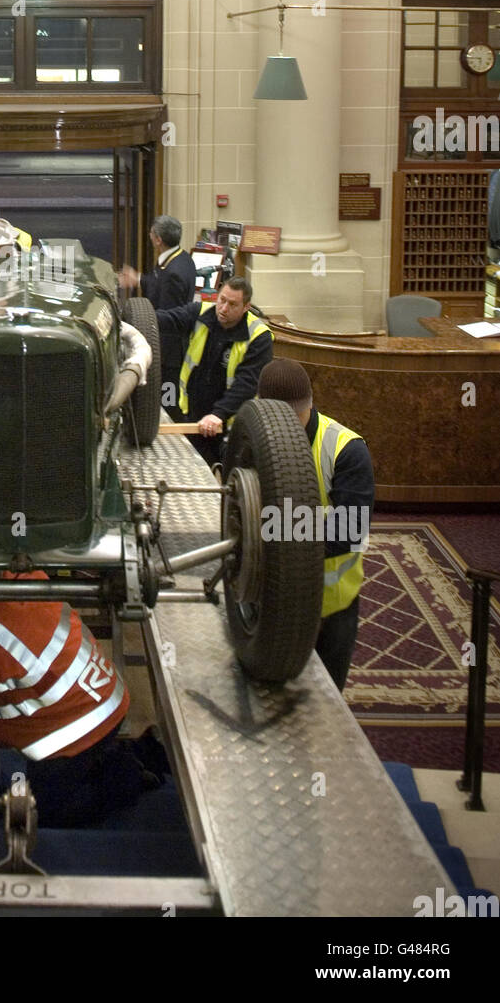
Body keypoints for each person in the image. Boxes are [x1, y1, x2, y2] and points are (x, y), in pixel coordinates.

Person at [0, 576, 169, 827]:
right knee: (78, 762)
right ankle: (146, 750)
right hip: (106, 695)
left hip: (75, 729)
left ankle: (130, 776)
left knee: (46, 810)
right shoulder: (28, 576)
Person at [257, 359, 375, 692]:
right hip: (270, 598)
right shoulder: (256, 435)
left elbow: (350, 531)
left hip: (330, 608)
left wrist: (271, 532)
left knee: (325, 700)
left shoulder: (346, 450)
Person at [155, 275, 274, 461]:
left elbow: (247, 384)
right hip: (194, 417)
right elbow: (169, 319)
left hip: (231, 427)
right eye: (222, 300)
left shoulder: (259, 337)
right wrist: (135, 316)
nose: (224, 309)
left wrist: (219, 414)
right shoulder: (201, 313)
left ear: (246, 307)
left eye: (233, 305)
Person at [118, 215, 197, 417]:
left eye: (152, 233)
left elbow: (167, 315)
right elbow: (159, 284)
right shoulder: (182, 259)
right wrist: (139, 279)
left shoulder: (173, 273)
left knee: (167, 399)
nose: (150, 236)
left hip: (168, 353)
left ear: (158, 240)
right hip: (170, 348)